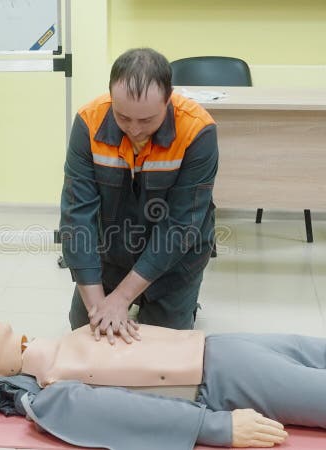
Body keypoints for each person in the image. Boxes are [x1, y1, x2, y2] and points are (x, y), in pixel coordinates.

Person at [0, 322, 326, 449]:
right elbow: (124, 415)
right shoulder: (50, 391)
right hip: (223, 380)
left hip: (223, 345)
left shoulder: (52, 350)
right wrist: (217, 428)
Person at [59, 48, 219, 342]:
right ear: (110, 97)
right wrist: (99, 311)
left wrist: (121, 299)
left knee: (163, 340)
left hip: (176, 257)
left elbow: (180, 225)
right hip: (113, 249)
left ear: (168, 98)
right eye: (123, 117)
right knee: (83, 330)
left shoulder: (198, 130)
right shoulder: (88, 122)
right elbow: (76, 217)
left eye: (146, 120)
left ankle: (181, 303)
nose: (134, 129)